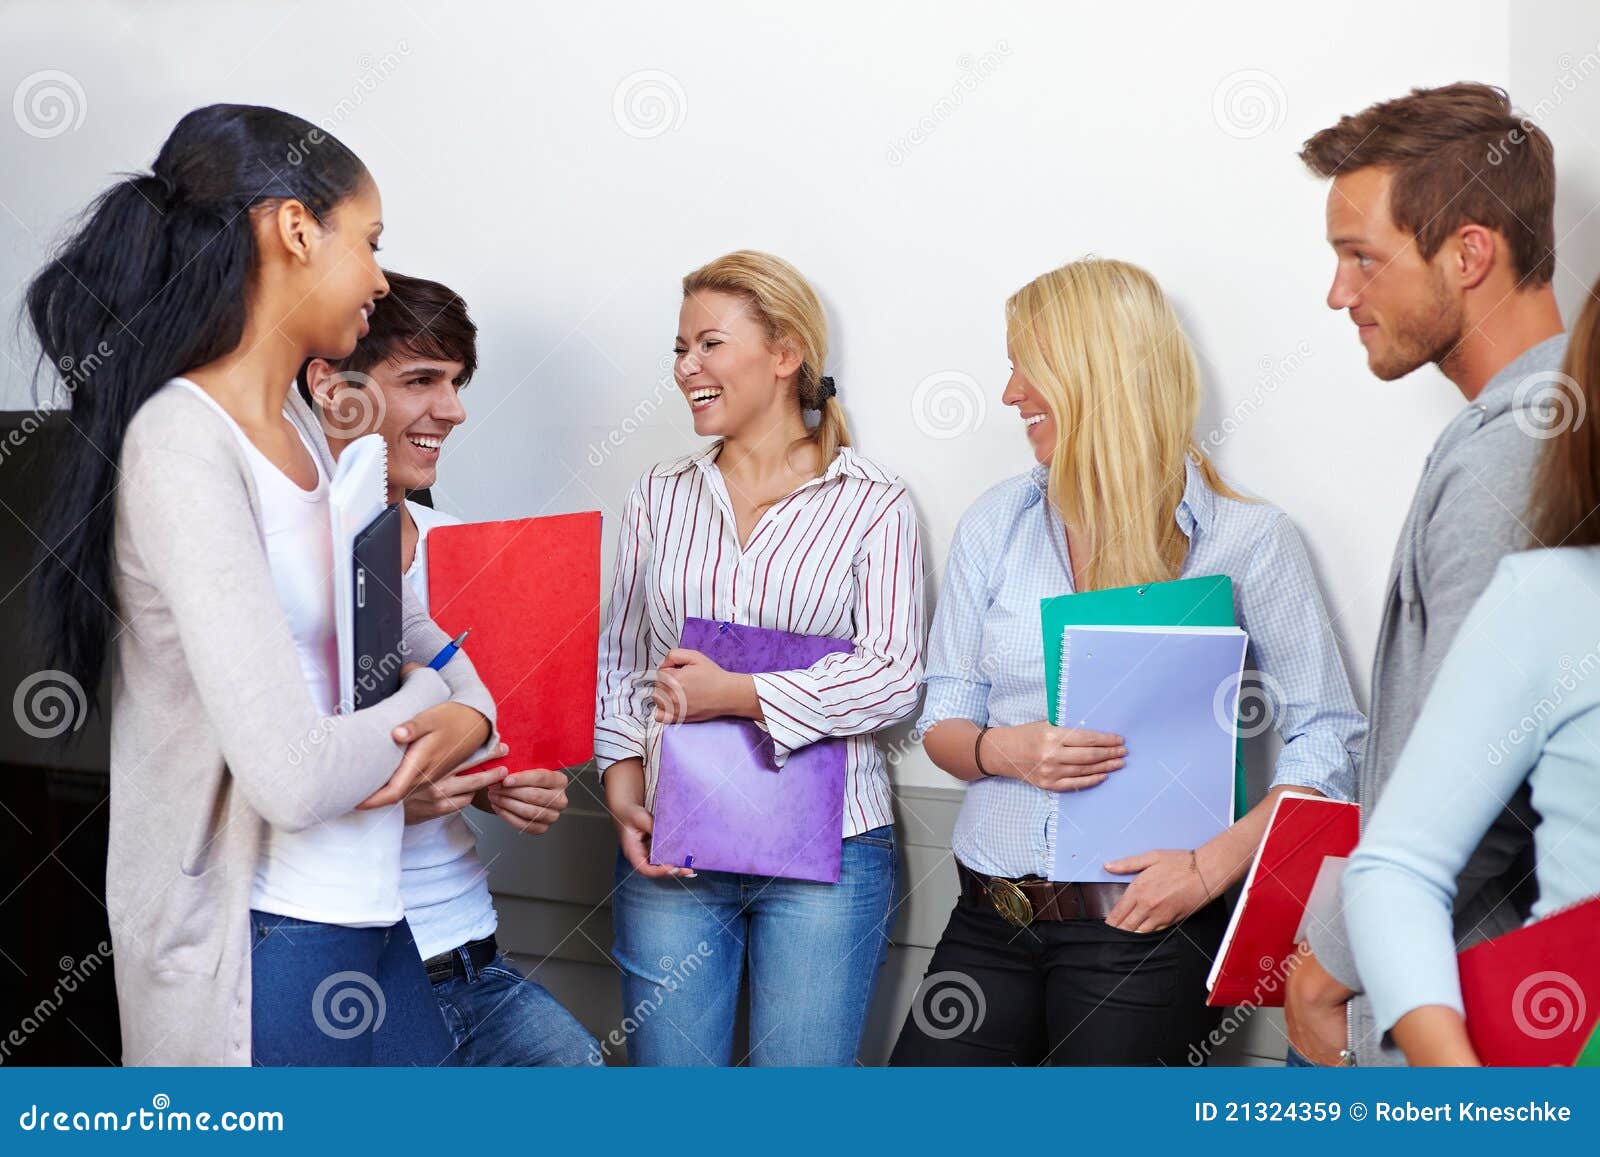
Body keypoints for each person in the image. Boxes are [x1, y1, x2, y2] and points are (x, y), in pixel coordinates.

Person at [24, 105, 499, 1066]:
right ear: (293, 230)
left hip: (369, 912)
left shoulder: (314, 432)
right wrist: (433, 705)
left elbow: (413, 630)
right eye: (368, 241)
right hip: (269, 940)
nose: (375, 275)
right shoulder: (184, 442)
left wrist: (475, 713)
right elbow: (291, 772)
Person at [889, 257, 1364, 1066]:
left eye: (1025, 367)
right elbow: (941, 716)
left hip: (1141, 929)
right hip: (987, 914)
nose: (1009, 394)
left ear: (1096, 373)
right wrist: (1005, 749)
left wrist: (1208, 869)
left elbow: (1333, 739)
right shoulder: (997, 523)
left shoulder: (1246, 541)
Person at [1285, 82, 1567, 1068]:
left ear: (1469, 254)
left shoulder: (1509, 457)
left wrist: (1331, 956)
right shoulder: (1542, 427)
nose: (1338, 293)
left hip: (1463, 1001)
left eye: (1361, 257)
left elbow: (1475, 764)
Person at [595, 250, 923, 1066]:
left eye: (709, 344)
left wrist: (738, 694)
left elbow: (893, 675)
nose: (686, 368)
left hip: (832, 850)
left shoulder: (872, 501)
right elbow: (624, 659)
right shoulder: (658, 494)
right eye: (679, 349)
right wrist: (622, 788)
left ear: (785, 356)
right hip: (675, 843)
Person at [301, 269, 599, 1066]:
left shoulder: (461, 547)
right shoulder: (288, 562)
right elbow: (264, 782)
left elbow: (484, 737)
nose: (454, 409)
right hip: (353, 973)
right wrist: (400, 800)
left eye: (458, 383)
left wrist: (507, 784)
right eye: (422, 380)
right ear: (333, 389)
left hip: (471, 954)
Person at [1343, 282, 1600, 1065]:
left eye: (1362, 259)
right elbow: (1396, 864)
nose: (1342, 292)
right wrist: (1471, 1105)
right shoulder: (1556, 600)